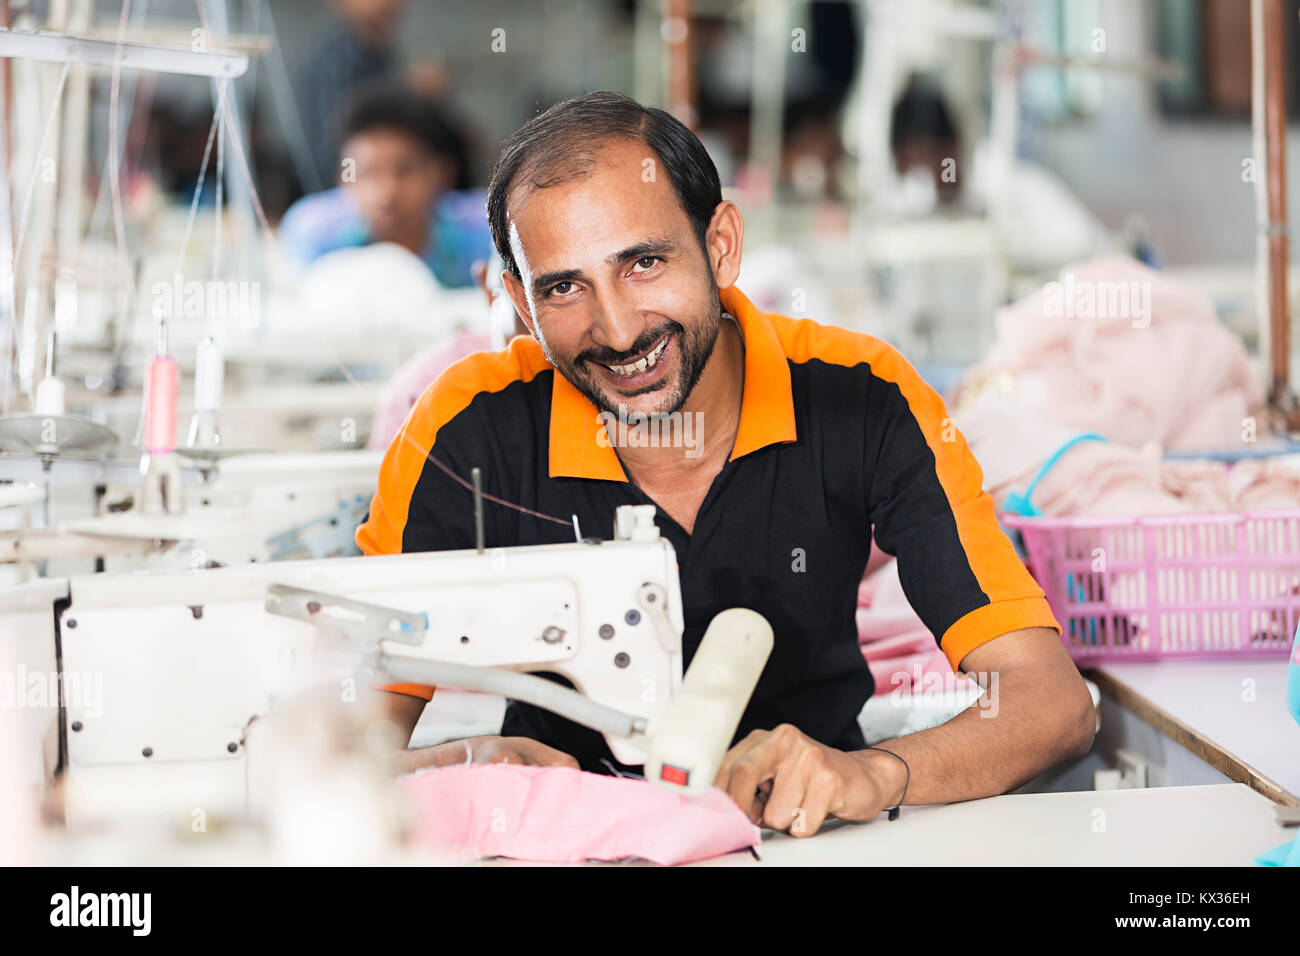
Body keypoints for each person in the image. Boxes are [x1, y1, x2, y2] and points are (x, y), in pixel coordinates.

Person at [356, 91, 1095, 836]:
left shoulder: (861, 397)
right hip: (558, 845)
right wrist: (473, 759)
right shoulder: (466, 431)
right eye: (564, 287)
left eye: (643, 262)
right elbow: (336, 744)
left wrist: (872, 773)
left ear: (720, 245)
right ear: (518, 299)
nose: (615, 330)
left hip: (817, 845)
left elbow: (1050, 704)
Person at [278, 82, 490, 289]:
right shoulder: (316, 237)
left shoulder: (485, 232)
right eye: (368, 172)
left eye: (404, 170)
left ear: (443, 172)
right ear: (343, 179)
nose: (388, 190)